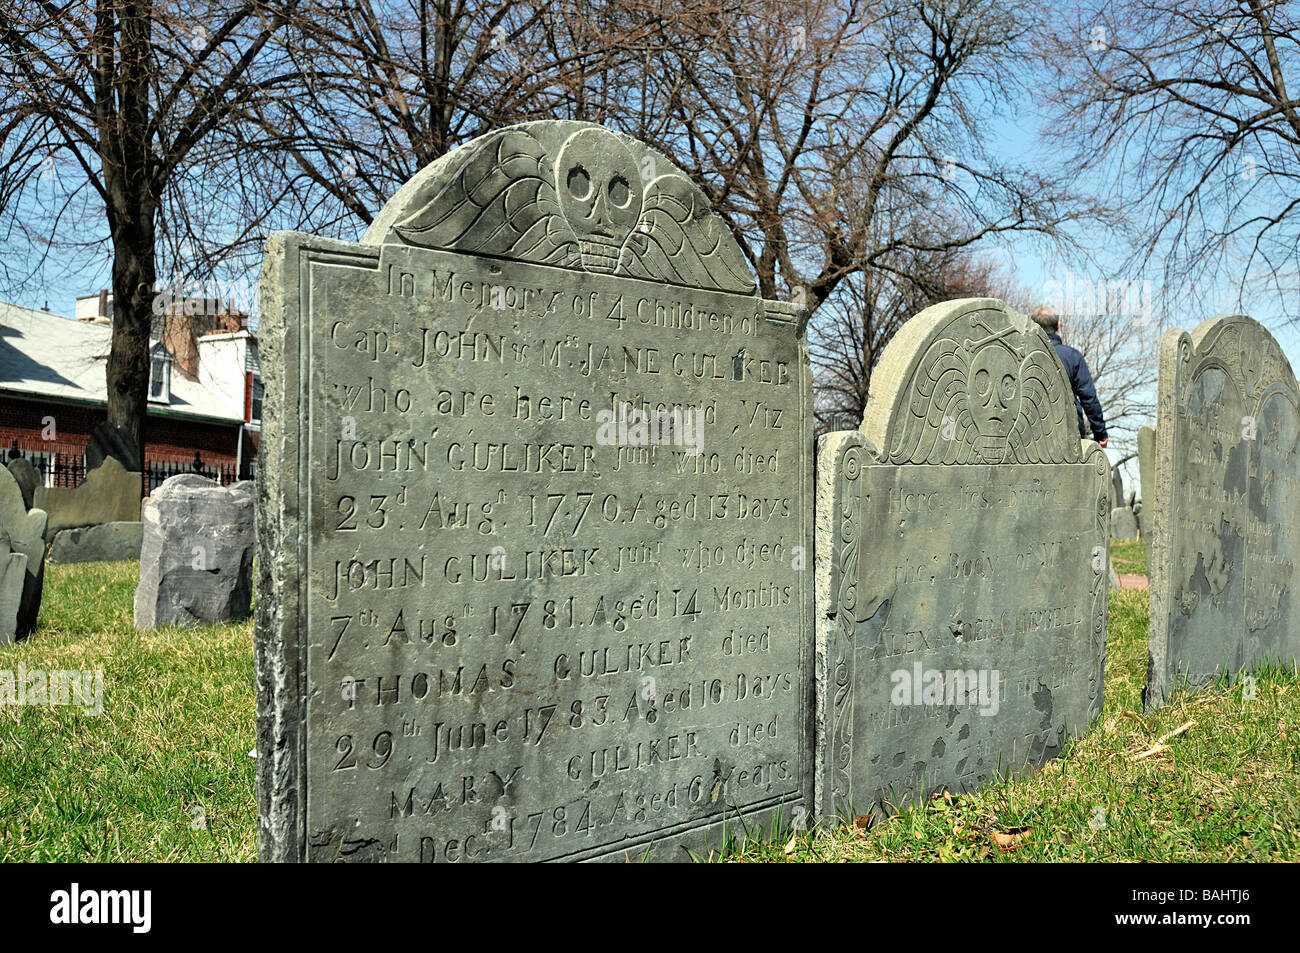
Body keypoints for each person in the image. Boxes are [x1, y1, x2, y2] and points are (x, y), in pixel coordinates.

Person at [1030, 305, 1108, 448]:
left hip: (1030, 434)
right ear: (1058, 326)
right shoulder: (1072, 357)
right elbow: (1088, 397)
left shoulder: (1021, 355)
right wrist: (1100, 433)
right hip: (1068, 431)